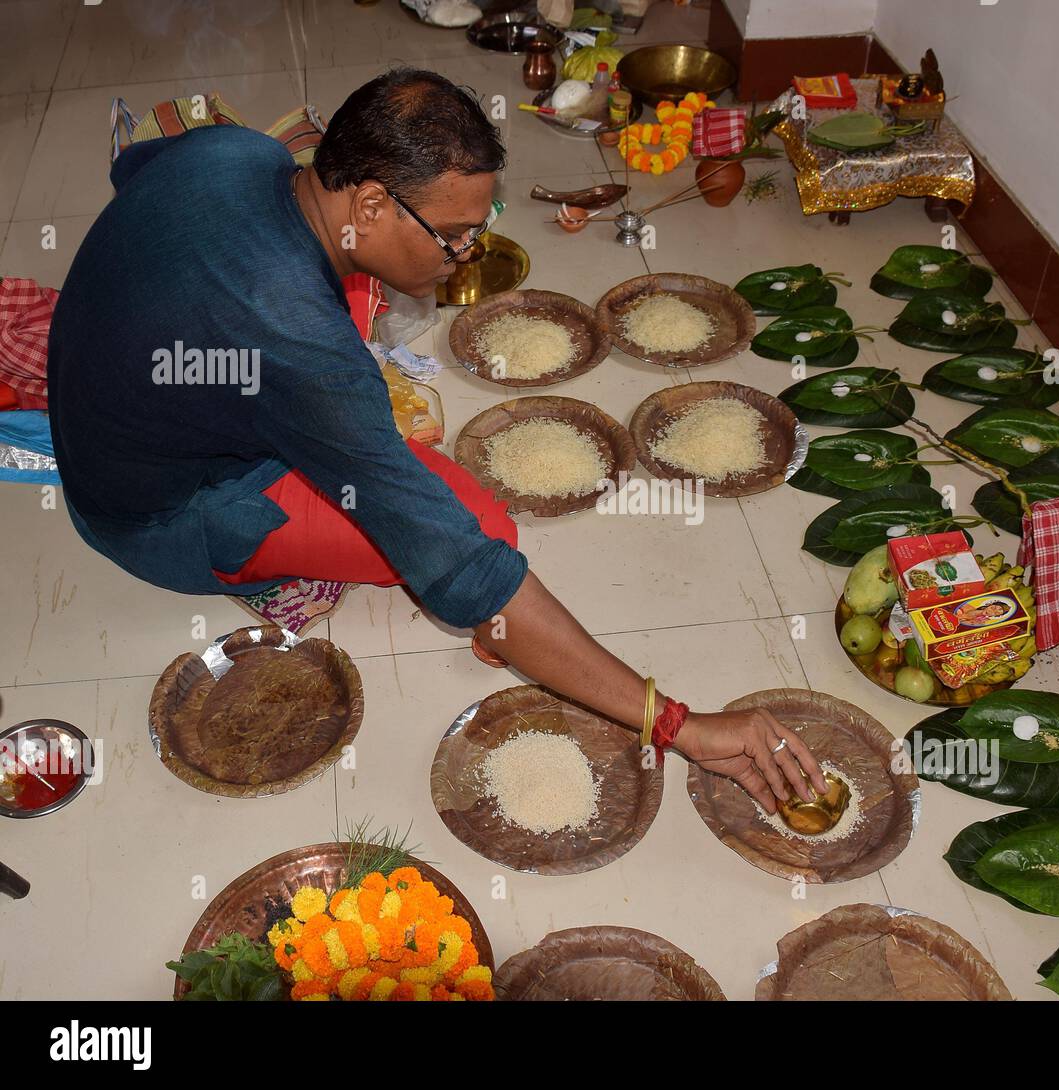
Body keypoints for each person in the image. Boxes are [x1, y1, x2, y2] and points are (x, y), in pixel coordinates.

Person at [47, 68, 825, 811]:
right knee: (480, 529)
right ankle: (290, 557)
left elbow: (134, 172)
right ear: (371, 203)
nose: (465, 257)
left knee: (360, 363)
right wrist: (678, 724)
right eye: (452, 236)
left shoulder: (237, 151)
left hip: (120, 419)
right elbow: (463, 568)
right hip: (158, 516)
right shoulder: (304, 349)